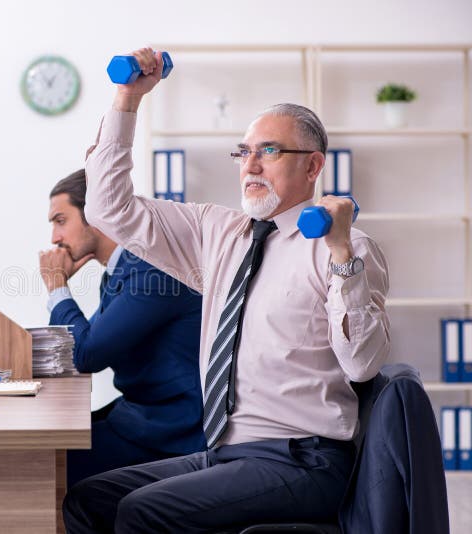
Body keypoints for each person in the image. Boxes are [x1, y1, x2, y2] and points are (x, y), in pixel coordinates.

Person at [62, 48, 391, 532]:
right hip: (226, 452)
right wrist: (128, 98)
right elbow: (109, 210)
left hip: (303, 460)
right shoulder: (216, 233)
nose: (251, 165)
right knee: (90, 499)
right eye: (244, 152)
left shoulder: (344, 247)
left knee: (142, 512)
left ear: (313, 166)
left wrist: (342, 255)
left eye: (269, 151)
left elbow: (363, 363)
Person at [39, 169, 205, 489]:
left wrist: (57, 287)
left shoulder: (150, 268)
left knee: (49, 464)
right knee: (48, 446)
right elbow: (84, 344)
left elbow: (85, 354)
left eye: (60, 221)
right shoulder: (120, 271)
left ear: (95, 214)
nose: (54, 238)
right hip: (142, 418)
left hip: (171, 434)